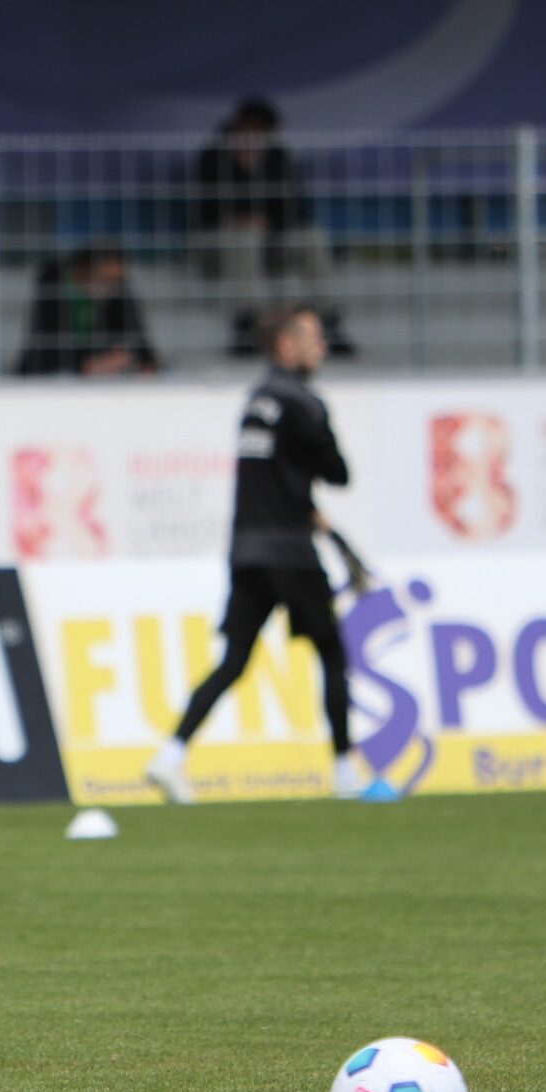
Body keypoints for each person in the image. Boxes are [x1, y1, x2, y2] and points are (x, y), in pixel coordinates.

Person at [146, 303, 366, 804]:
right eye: (313, 338)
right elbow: (338, 473)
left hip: (246, 549)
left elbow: (272, 476)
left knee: (235, 660)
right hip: (290, 552)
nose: (322, 348)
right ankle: (345, 771)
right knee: (332, 653)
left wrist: (306, 507)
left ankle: (170, 756)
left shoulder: (256, 400)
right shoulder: (304, 403)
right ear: (286, 346)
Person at [192, 98, 352, 356]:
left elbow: (293, 207)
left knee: (311, 236)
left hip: (273, 241)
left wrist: (268, 222)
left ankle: (328, 318)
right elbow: (203, 209)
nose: (254, 137)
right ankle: (249, 322)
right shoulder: (214, 158)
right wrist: (239, 219)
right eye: (249, 129)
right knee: (245, 237)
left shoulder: (277, 157)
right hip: (223, 244)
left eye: (261, 131)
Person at [15, 242, 160, 377]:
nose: (114, 286)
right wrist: (87, 365)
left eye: (118, 281)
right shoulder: (54, 285)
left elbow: (137, 336)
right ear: (83, 270)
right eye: (107, 279)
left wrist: (143, 363)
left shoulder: (118, 290)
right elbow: (45, 348)